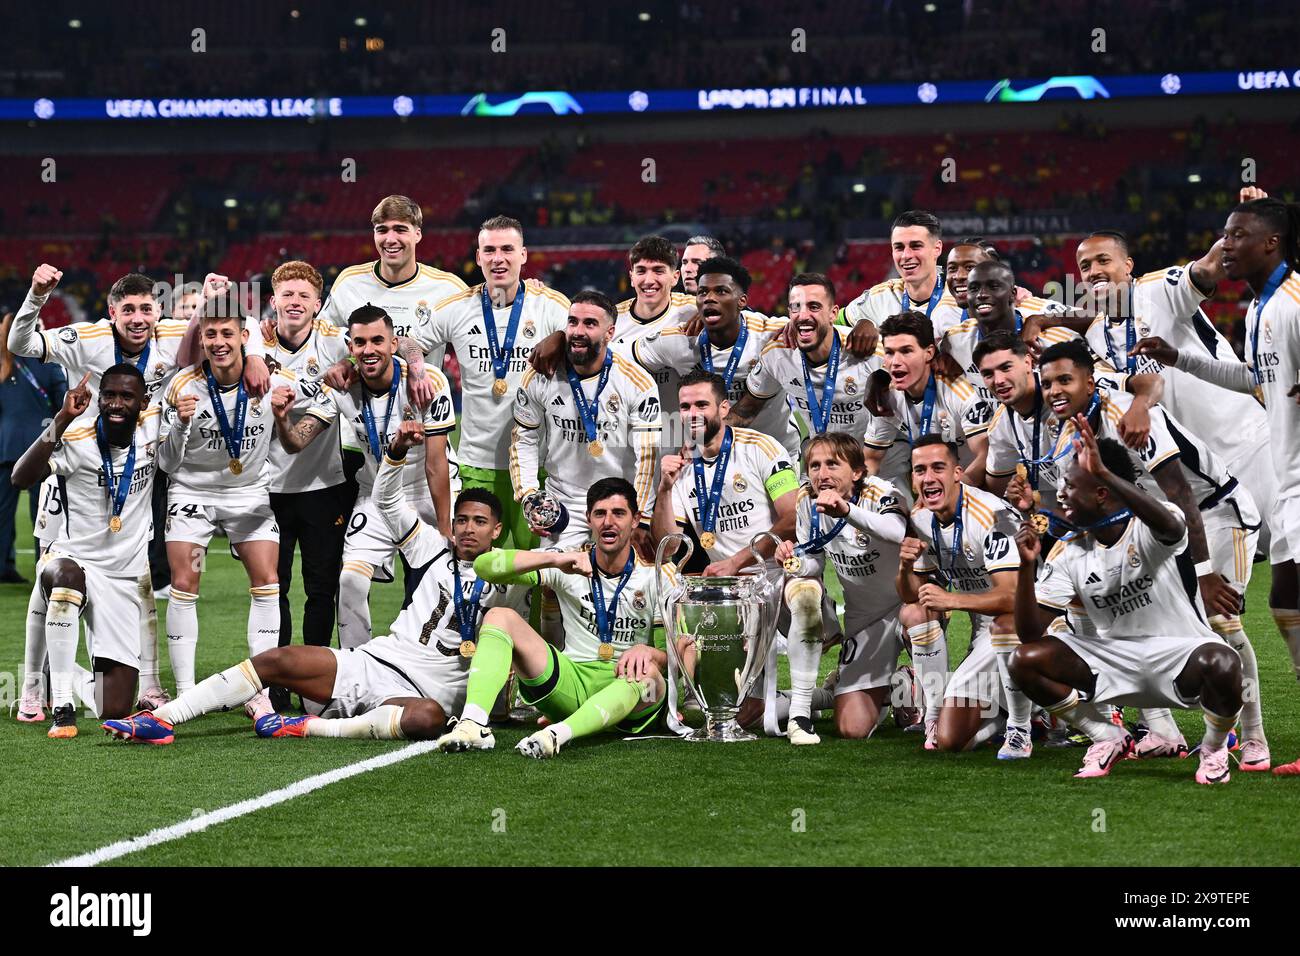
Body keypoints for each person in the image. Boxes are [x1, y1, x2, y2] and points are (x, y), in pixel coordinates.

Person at [101, 421, 529, 744]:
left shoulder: (516, 580)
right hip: (377, 662)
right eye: (463, 520)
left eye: (480, 522)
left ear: (497, 531)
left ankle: (310, 727)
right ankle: (162, 720)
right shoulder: (433, 549)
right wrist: (395, 455)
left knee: (428, 720)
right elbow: (387, 501)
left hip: (432, 692)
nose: (468, 529)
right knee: (279, 660)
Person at [1133, 195, 1300, 776]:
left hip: (1278, 473)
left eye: (1237, 235)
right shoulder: (1259, 309)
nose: (1226, 245)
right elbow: (1253, 377)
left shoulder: (1291, 302)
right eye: (1224, 235)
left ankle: (1247, 738)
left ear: (1271, 242)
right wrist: (1177, 357)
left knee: (1283, 599)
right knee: (1286, 601)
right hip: (1274, 474)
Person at [1011, 419, 1244, 784]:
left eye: (1070, 486)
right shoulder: (1069, 551)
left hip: (1179, 656)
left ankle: (1214, 750)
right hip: (1114, 661)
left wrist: (1103, 471)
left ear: (1102, 493)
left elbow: (1171, 526)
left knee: (1224, 661)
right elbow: (1030, 635)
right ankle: (1106, 736)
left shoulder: (1150, 526)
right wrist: (1026, 568)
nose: (1060, 495)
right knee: (1024, 660)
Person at [435, 477, 677, 759]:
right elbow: (484, 566)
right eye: (600, 514)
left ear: (635, 520)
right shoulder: (570, 563)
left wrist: (648, 652)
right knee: (500, 616)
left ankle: (558, 735)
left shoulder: (657, 576)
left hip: (633, 697)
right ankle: (472, 725)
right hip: (570, 687)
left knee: (648, 673)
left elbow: (675, 657)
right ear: (588, 519)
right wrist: (553, 559)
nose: (608, 522)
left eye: (619, 513)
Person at [272, 304, 456, 649]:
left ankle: (425, 662)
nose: (368, 350)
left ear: (393, 343)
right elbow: (296, 442)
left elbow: (436, 464)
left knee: (435, 580)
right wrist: (282, 418)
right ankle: (356, 669)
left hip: (425, 489)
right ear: (351, 348)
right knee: (351, 580)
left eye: (377, 341)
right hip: (375, 493)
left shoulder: (426, 381)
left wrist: (445, 529)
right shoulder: (341, 389)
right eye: (359, 343)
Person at [158, 295, 299, 695]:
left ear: (243, 337)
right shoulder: (182, 386)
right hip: (192, 492)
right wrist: (182, 425)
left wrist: (288, 413)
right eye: (210, 334)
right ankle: (185, 694)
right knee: (185, 583)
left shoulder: (272, 381)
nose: (219, 342)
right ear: (201, 339)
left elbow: (318, 404)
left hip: (248, 495)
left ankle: (262, 692)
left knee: (267, 580)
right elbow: (167, 464)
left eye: (227, 333)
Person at [11, 365, 160, 737]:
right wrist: (61, 419)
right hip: (74, 561)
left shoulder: (154, 439)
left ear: (143, 403)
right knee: (65, 576)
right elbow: (20, 477)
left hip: (122, 580)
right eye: (109, 394)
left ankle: (51, 668)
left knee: (113, 708)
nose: (116, 403)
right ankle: (61, 704)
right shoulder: (76, 439)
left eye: (126, 397)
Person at [413, 215, 571, 547]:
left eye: (507, 249)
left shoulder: (553, 307)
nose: (498, 258)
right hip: (477, 464)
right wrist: (415, 363)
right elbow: (408, 341)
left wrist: (562, 336)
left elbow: (591, 341)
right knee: (476, 570)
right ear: (478, 257)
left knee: (542, 576)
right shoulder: (457, 307)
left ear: (523, 255)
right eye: (489, 250)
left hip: (539, 467)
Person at [896, 435, 1029, 757]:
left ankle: (1023, 724)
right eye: (920, 470)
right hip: (983, 631)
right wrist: (904, 567)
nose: (928, 478)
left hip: (1025, 626)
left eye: (938, 468)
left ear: (957, 472)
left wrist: (952, 600)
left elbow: (1013, 600)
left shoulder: (993, 516)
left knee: (1005, 626)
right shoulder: (922, 519)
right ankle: (975, 714)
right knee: (951, 740)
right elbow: (913, 595)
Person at [775, 433, 911, 743]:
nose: (821, 474)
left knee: (920, 619)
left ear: (858, 472)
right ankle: (902, 685)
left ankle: (934, 714)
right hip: (864, 620)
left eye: (832, 465)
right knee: (852, 728)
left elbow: (897, 531)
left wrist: (847, 511)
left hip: (908, 606)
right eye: (814, 466)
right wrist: (793, 560)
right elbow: (814, 562)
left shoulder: (883, 492)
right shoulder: (807, 500)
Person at [259, 261, 351, 710]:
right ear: (273, 301)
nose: (294, 302)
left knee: (320, 587)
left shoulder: (336, 341)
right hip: (265, 488)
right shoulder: (251, 342)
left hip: (323, 486)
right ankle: (276, 679)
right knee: (272, 588)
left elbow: (395, 342)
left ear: (318, 305)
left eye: (304, 296)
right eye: (286, 295)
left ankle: (313, 680)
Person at [633, 256, 798, 460]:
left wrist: (801, 324)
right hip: (709, 456)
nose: (709, 298)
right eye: (703, 292)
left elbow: (827, 326)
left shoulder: (774, 334)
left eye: (721, 291)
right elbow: (624, 357)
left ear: (742, 302)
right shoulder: (680, 340)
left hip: (775, 453)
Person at [863, 310, 992, 491]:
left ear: (929, 353)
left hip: (977, 486)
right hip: (933, 486)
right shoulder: (885, 398)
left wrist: (951, 492)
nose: (896, 362)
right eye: (890, 353)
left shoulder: (959, 392)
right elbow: (872, 458)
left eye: (906, 351)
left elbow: (985, 455)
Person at [1, 311, 66, 584]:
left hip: (5, 446)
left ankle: (3, 567)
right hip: (40, 449)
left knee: (2, 512)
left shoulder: (3, 364)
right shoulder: (48, 364)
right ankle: (46, 565)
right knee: (43, 512)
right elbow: (64, 403)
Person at [844, 210, 962, 339]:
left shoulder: (960, 295)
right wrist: (863, 321)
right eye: (899, 247)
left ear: (937, 249)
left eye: (916, 246)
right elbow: (830, 320)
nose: (906, 255)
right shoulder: (880, 296)